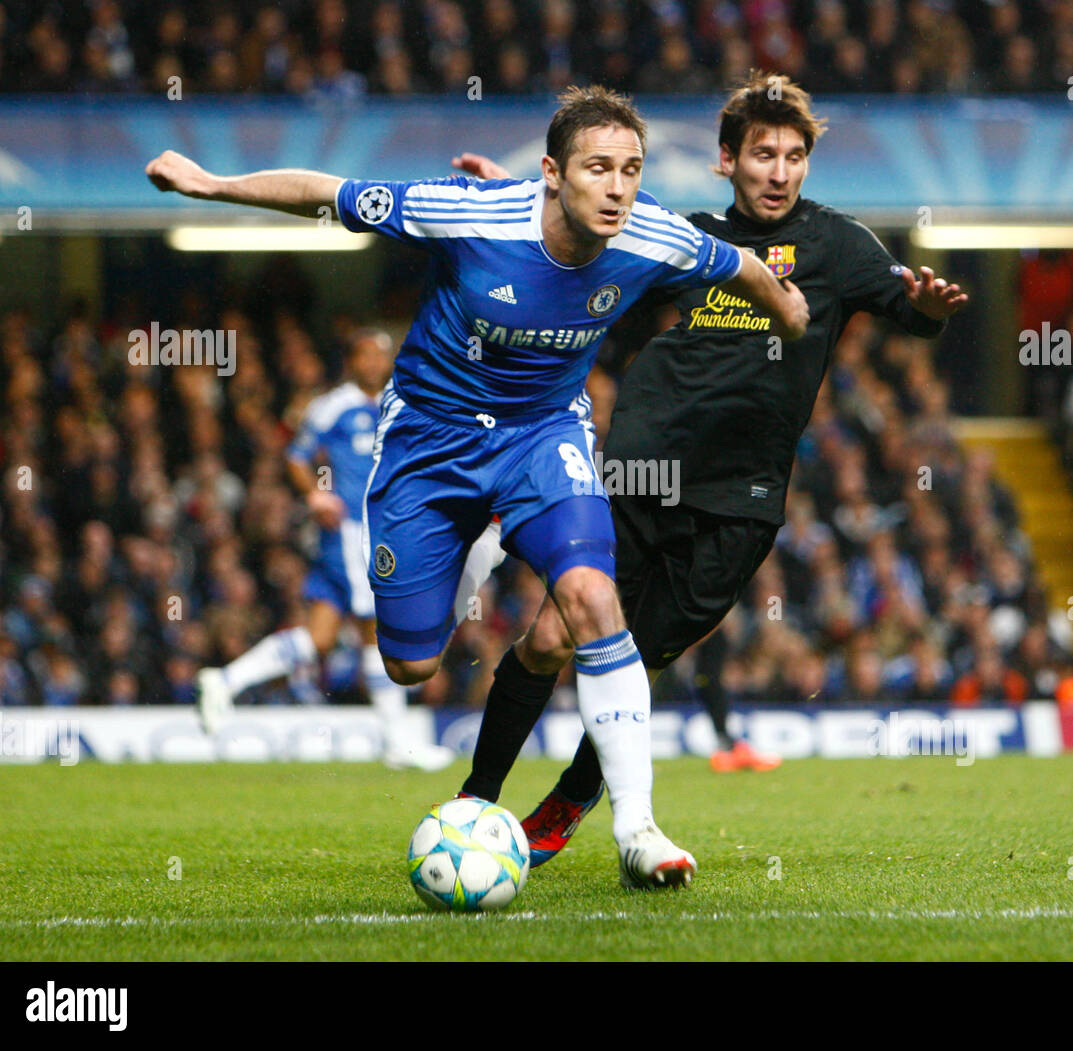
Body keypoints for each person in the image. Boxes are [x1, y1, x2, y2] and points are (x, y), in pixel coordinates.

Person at [145, 84, 809, 889]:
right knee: (409, 666)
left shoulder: (653, 233)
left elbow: (740, 263)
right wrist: (211, 184)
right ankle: (477, 538)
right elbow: (329, 191)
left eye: (630, 169)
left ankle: (637, 827)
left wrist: (790, 313)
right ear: (552, 173)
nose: (618, 186)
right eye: (597, 169)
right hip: (430, 439)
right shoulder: (469, 215)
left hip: (544, 433)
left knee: (594, 601)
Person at [450, 71, 967, 867]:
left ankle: (570, 798)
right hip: (639, 470)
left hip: (741, 500)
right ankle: (475, 801)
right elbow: (585, 217)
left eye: (795, 156)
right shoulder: (682, 235)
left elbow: (913, 309)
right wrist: (515, 198)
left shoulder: (836, 243)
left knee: (638, 659)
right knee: (555, 634)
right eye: (763, 154)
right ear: (728, 160)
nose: (780, 172)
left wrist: (928, 306)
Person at [194, 329, 504, 769]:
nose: (376, 362)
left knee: (320, 637)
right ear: (352, 359)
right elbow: (296, 454)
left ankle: (225, 680)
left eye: (382, 355)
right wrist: (315, 495)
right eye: (366, 354)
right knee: (373, 625)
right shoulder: (332, 405)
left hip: (386, 528)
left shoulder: (404, 400)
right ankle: (397, 743)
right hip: (351, 530)